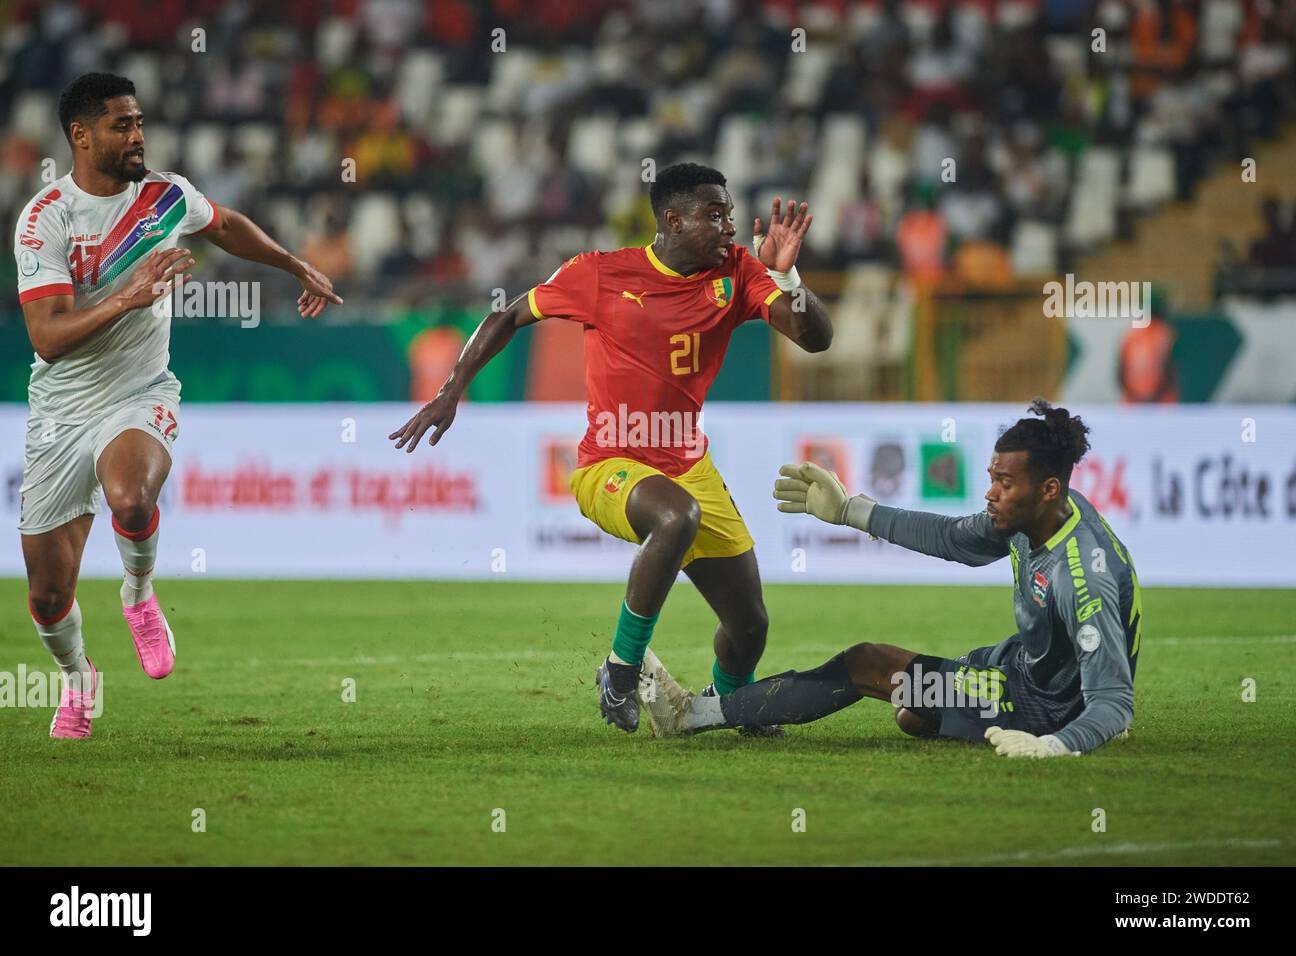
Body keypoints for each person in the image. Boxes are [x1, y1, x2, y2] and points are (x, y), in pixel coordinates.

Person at [390, 162, 833, 734]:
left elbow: (815, 340)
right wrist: (451, 392)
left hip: (690, 464)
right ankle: (621, 672)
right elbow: (506, 316)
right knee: (676, 518)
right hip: (610, 464)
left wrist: (788, 278)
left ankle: (727, 706)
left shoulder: (740, 272)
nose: (729, 227)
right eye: (715, 215)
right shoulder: (599, 274)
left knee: (750, 626)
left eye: (728, 213)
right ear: (672, 219)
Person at [15, 73, 341, 738]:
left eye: (139, 122)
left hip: (140, 393)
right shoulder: (45, 218)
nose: (137, 136)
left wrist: (292, 264)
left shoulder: (165, 196)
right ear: (80, 136)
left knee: (131, 499)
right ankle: (79, 678)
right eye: (120, 125)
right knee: (48, 598)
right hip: (60, 410)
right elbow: (47, 339)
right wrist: (125, 298)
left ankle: (138, 594)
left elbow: (225, 224)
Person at [643, 401, 1141, 758]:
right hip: (1018, 669)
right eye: (992, 477)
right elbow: (954, 538)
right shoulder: (1044, 513)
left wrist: (1057, 741)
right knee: (913, 712)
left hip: (1040, 705)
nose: (990, 494)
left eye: (1004, 483)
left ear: (1048, 488)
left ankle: (690, 715)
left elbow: (1115, 701)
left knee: (869, 664)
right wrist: (850, 511)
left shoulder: (1082, 576)